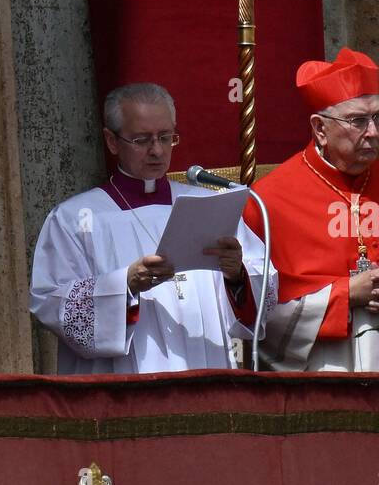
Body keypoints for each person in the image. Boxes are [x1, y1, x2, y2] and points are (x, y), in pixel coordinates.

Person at [244, 47, 379, 371]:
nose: (373, 132)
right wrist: (344, 296)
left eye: (377, 117)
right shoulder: (268, 200)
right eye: (358, 121)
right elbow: (255, 314)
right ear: (320, 128)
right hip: (322, 379)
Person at [30, 83, 277, 374]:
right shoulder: (75, 219)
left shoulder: (210, 205)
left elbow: (265, 292)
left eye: (165, 137)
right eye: (141, 139)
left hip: (206, 365)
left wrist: (237, 275)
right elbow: (52, 305)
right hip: (124, 384)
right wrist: (125, 284)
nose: (157, 150)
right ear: (112, 141)